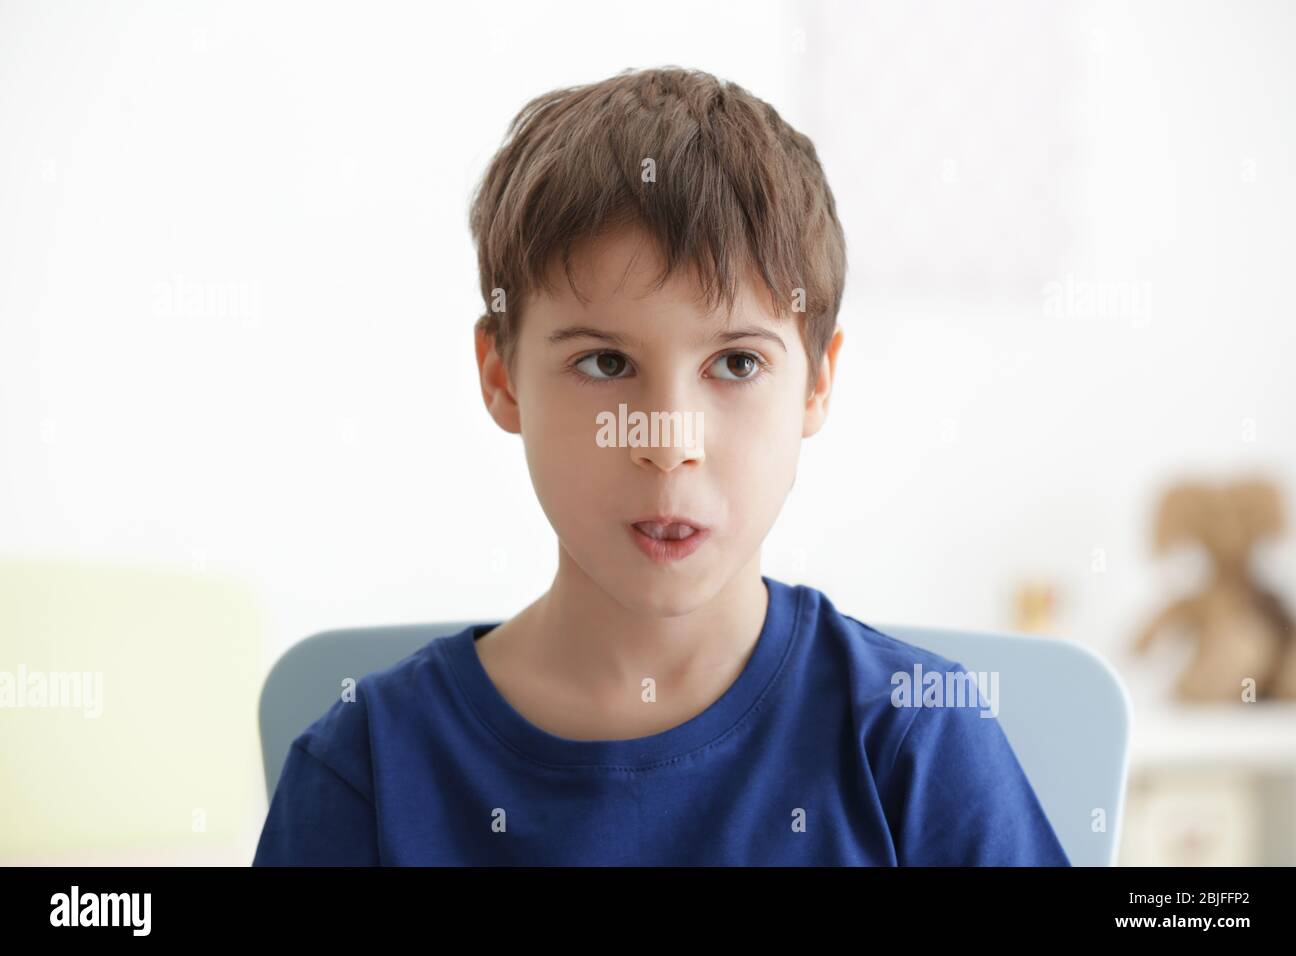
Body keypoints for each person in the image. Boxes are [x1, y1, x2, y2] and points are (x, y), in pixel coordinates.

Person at [253, 66, 1070, 866]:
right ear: (502, 376)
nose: (668, 439)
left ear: (817, 382)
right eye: (606, 365)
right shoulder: (366, 772)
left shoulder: (918, 739)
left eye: (738, 365)